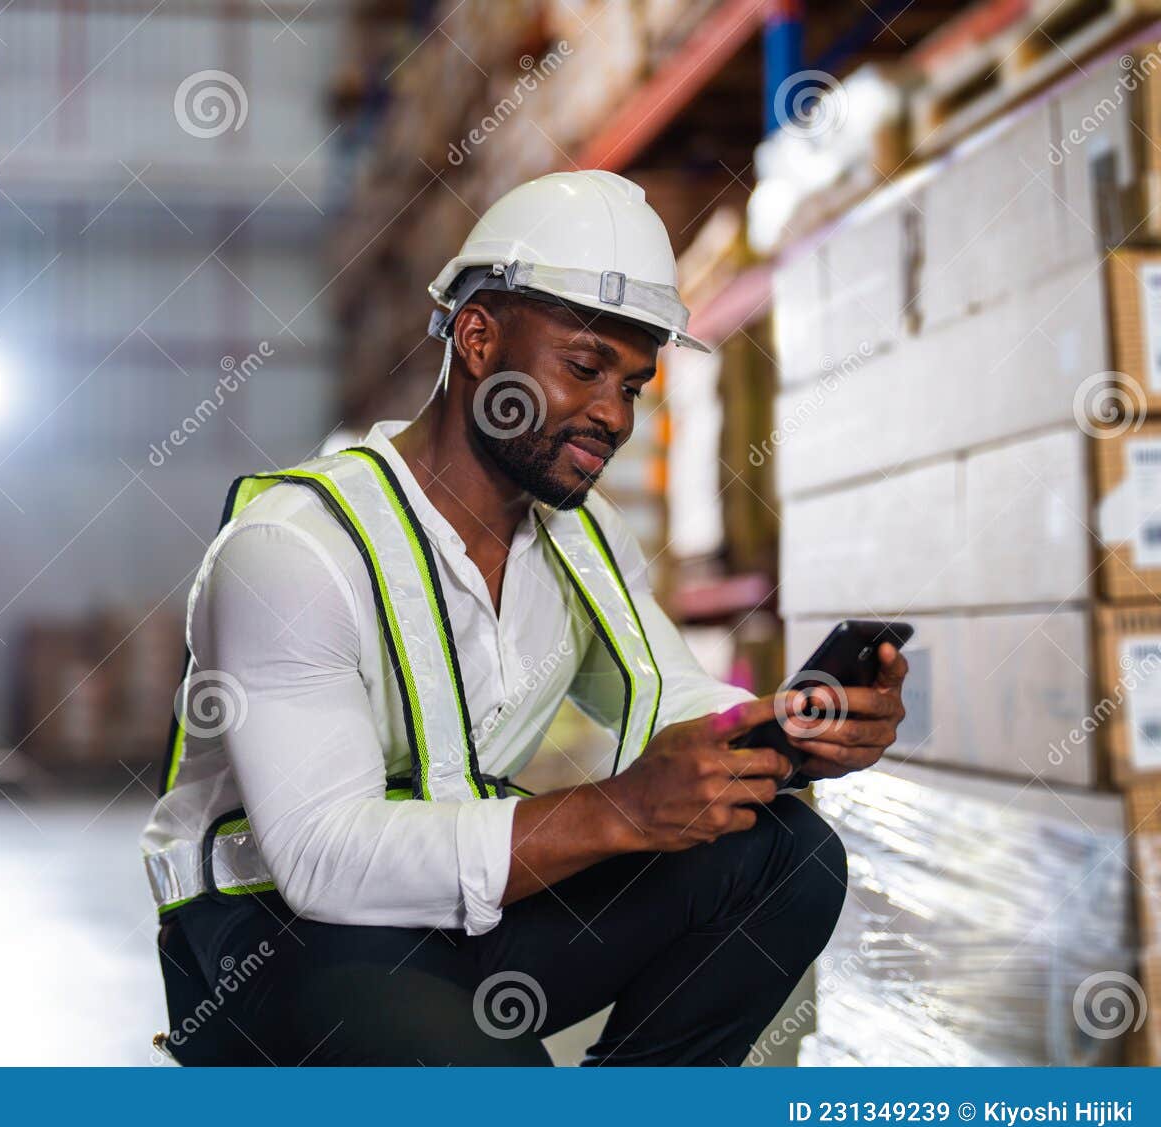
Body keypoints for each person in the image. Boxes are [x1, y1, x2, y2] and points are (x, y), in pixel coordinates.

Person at [140, 170, 906, 1066]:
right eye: (583, 368)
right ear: (476, 337)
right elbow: (322, 861)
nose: (612, 415)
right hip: (275, 942)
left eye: (633, 384)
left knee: (785, 853)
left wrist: (784, 730)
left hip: (461, 912)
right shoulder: (294, 550)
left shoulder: (579, 536)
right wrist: (622, 810)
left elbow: (672, 703)